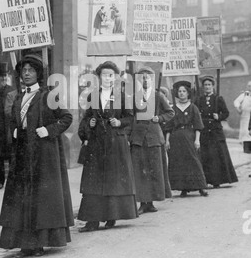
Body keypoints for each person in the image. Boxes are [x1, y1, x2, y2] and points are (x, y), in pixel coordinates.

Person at [0, 54, 74, 258]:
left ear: (38, 74)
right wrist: (13, 131)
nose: (27, 73)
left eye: (31, 70)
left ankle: (39, 243)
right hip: (23, 155)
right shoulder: (17, 97)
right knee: (23, 200)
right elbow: (13, 121)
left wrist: (49, 130)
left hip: (43, 156)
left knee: (40, 201)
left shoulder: (48, 95)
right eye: (24, 71)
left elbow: (67, 118)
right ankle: (25, 245)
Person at [78, 61, 138, 232]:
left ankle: (112, 215)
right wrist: (89, 123)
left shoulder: (123, 96)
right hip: (97, 142)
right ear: (99, 77)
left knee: (113, 179)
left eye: (111, 75)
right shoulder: (92, 96)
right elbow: (86, 118)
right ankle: (92, 220)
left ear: (116, 77)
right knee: (94, 181)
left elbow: (130, 118)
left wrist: (119, 122)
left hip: (115, 143)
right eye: (104, 75)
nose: (107, 78)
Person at [131, 68, 174, 214]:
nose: (145, 80)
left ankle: (151, 202)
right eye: (142, 78)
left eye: (147, 78)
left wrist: (159, 118)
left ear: (152, 79)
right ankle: (143, 202)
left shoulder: (158, 96)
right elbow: (130, 116)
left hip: (154, 138)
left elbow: (170, 112)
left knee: (154, 170)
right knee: (140, 171)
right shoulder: (134, 97)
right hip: (138, 138)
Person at [165, 81, 208, 198]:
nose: (182, 93)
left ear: (188, 93)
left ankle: (201, 187)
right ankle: (183, 188)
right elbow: (168, 127)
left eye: (184, 91)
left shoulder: (193, 107)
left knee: (194, 161)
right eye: (179, 91)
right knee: (179, 162)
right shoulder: (173, 108)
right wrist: (167, 141)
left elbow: (198, 125)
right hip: (176, 138)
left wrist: (197, 140)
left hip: (189, 137)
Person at [196, 76, 238, 188]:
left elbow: (226, 113)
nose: (207, 87)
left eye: (209, 85)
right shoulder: (199, 100)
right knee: (206, 155)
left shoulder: (218, 99)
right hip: (204, 130)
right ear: (203, 87)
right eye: (205, 85)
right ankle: (206, 180)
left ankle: (217, 180)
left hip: (215, 130)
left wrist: (218, 116)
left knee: (217, 155)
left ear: (213, 86)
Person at [234, 81, 251, 153]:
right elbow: (236, 101)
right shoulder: (245, 94)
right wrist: (238, 108)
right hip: (245, 116)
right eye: (249, 86)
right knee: (245, 132)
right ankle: (246, 148)